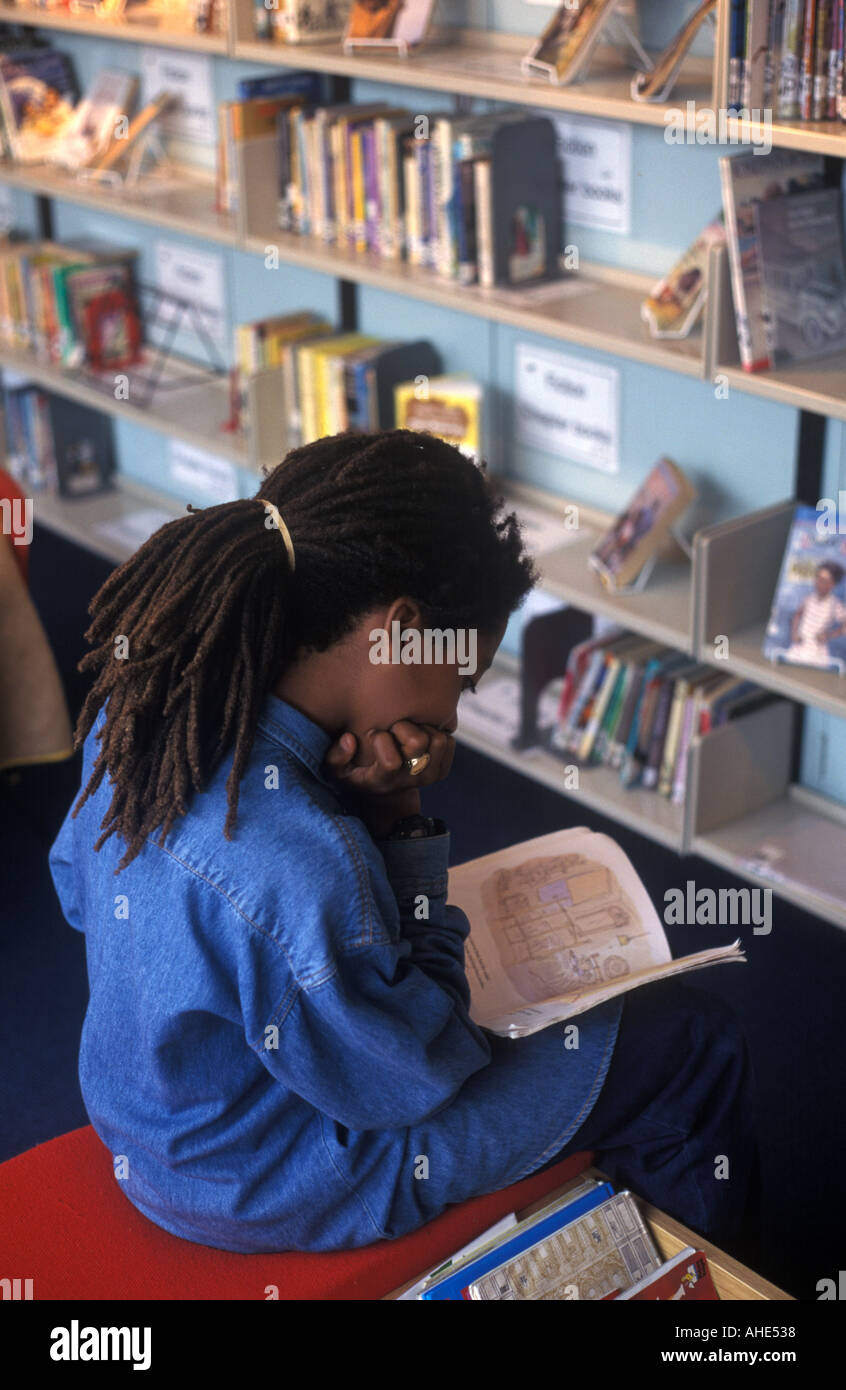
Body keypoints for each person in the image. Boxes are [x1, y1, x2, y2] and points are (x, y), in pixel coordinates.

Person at [48, 429, 761, 1264]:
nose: (455, 714)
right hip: (278, 1177)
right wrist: (400, 823)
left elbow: (74, 885)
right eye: (463, 678)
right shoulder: (304, 864)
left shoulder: (141, 716)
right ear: (404, 630)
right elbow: (415, 1075)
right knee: (689, 1042)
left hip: (154, 1129)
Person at [785, 561, 846, 670]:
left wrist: (828, 635)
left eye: (824, 580)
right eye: (818, 578)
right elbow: (797, 615)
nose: (819, 583)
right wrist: (794, 632)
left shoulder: (835, 605)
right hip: (799, 648)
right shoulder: (809, 598)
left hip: (817, 654)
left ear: (833, 584)